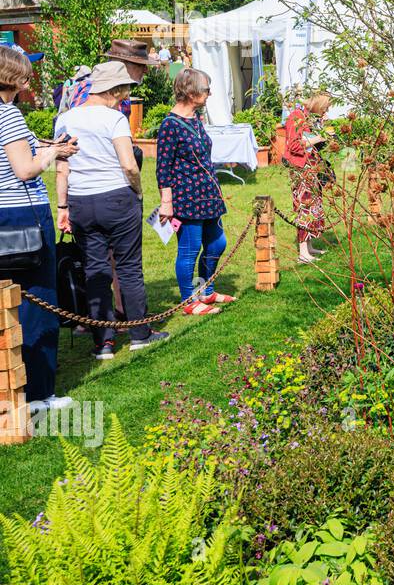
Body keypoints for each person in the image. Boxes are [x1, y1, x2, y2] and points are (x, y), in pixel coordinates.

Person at [54, 62, 169, 360]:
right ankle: (139, 334)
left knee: (95, 269)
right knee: (129, 267)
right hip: (118, 197)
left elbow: (61, 169)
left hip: (81, 199)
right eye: (126, 89)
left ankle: (103, 342)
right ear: (115, 89)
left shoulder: (65, 119)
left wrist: (62, 206)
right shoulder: (115, 119)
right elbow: (129, 163)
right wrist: (138, 190)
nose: (126, 96)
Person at [0, 48, 78, 415]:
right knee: (38, 299)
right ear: (13, 79)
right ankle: (38, 393)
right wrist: (50, 157)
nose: (30, 82)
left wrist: (52, 147)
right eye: (26, 75)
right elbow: (25, 169)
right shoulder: (9, 114)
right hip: (23, 217)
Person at [156, 68, 236, 315]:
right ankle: (188, 301)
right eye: (206, 89)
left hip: (208, 195)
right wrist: (166, 203)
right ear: (190, 92)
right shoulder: (170, 124)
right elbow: (163, 167)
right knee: (189, 250)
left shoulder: (196, 118)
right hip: (186, 198)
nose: (209, 94)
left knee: (217, 244)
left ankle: (206, 290)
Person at [283, 92, 331, 263]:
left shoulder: (308, 118)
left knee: (313, 207)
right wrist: (318, 138)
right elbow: (294, 146)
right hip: (301, 169)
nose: (326, 112)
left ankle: (309, 247)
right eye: (324, 109)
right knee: (304, 207)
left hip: (311, 168)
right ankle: (303, 253)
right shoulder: (296, 117)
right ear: (317, 106)